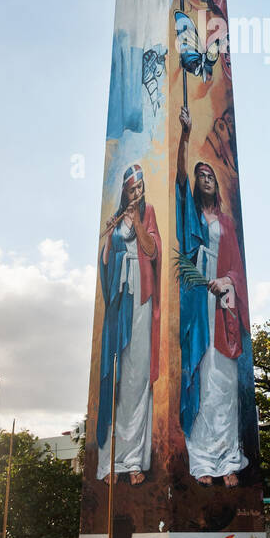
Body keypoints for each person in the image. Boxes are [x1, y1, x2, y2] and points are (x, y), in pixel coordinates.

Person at [176, 105, 249, 486]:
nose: (205, 177)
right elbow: (176, 180)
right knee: (202, 380)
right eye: (199, 174)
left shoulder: (225, 224)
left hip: (222, 308)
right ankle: (203, 461)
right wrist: (185, 137)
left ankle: (228, 460)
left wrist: (229, 283)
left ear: (216, 186)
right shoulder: (191, 217)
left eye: (209, 175)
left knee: (225, 383)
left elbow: (237, 267)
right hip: (197, 306)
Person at [96, 164, 161, 485]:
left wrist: (136, 222)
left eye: (140, 189)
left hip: (142, 300)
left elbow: (152, 252)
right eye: (131, 191)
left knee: (136, 379)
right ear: (124, 192)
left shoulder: (147, 213)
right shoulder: (119, 218)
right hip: (120, 301)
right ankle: (112, 459)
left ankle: (134, 460)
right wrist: (110, 239)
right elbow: (106, 264)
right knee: (117, 379)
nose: (136, 195)